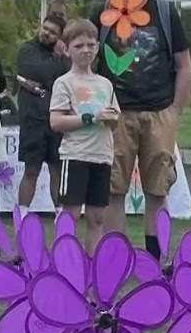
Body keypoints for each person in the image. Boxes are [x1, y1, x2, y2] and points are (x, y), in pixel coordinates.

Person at [91, 0, 191, 259]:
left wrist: (175, 111)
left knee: (157, 190)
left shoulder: (163, 11)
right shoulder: (101, 13)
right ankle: (116, 259)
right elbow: (86, 59)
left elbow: (184, 64)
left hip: (158, 113)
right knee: (114, 190)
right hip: (116, 115)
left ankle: (156, 259)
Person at [47, 19, 120, 246]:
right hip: (76, 155)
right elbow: (56, 122)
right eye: (79, 46)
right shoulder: (64, 83)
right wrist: (90, 118)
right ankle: (64, 262)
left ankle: (92, 266)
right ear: (67, 49)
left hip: (102, 155)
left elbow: (115, 117)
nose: (86, 50)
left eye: (90, 44)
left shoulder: (105, 84)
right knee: (71, 213)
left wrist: (110, 119)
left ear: (97, 47)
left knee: (97, 217)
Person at [13, 14, 70, 212]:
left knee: (57, 169)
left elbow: (67, 79)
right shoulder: (27, 50)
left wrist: (59, 61)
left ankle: (60, 217)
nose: (47, 33)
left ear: (60, 37)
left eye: (53, 32)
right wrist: (57, 59)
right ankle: (21, 215)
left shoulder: (64, 58)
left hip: (56, 121)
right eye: (45, 28)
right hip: (32, 121)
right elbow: (41, 73)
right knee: (31, 169)